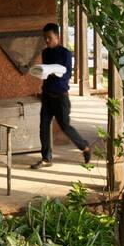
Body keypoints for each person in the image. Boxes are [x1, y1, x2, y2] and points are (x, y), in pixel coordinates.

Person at [33, 22, 91, 169]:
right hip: (47, 96)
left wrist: (54, 71)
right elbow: (45, 74)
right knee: (43, 127)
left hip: (61, 97)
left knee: (65, 126)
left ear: (57, 37)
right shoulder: (45, 53)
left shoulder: (65, 53)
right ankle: (46, 158)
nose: (47, 40)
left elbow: (67, 74)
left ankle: (84, 147)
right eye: (45, 38)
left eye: (49, 37)